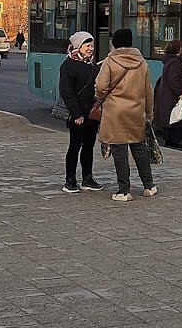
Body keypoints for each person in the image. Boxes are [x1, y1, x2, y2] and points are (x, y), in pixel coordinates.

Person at [95, 28, 156, 202]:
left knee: (119, 151)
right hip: (136, 111)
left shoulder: (109, 61)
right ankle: (149, 186)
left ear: (115, 42)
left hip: (115, 112)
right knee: (139, 149)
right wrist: (149, 113)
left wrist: (100, 98)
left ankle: (124, 190)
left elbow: (101, 87)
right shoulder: (142, 62)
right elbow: (148, 91)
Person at [59, 31, 103, 193]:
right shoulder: (69, 65)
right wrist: (76, 114)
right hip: (77, 115)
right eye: (87, 45)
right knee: (74, 146)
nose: (90, 49)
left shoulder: (92, 64)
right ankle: (70, 180)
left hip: (91, 113)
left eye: (92, 46)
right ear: (78, 46)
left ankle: (88, 178)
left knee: (89, 146)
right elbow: (66, 92)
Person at [153, 40, 182, 150]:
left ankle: (170, 141)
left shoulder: (170, 61)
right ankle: (172, 141)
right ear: (177, 49)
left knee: (171, 117)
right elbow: (174, 79)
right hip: (173, 96)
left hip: (168, 95)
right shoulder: (175, 62)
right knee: (175, 117)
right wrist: (180, 93)